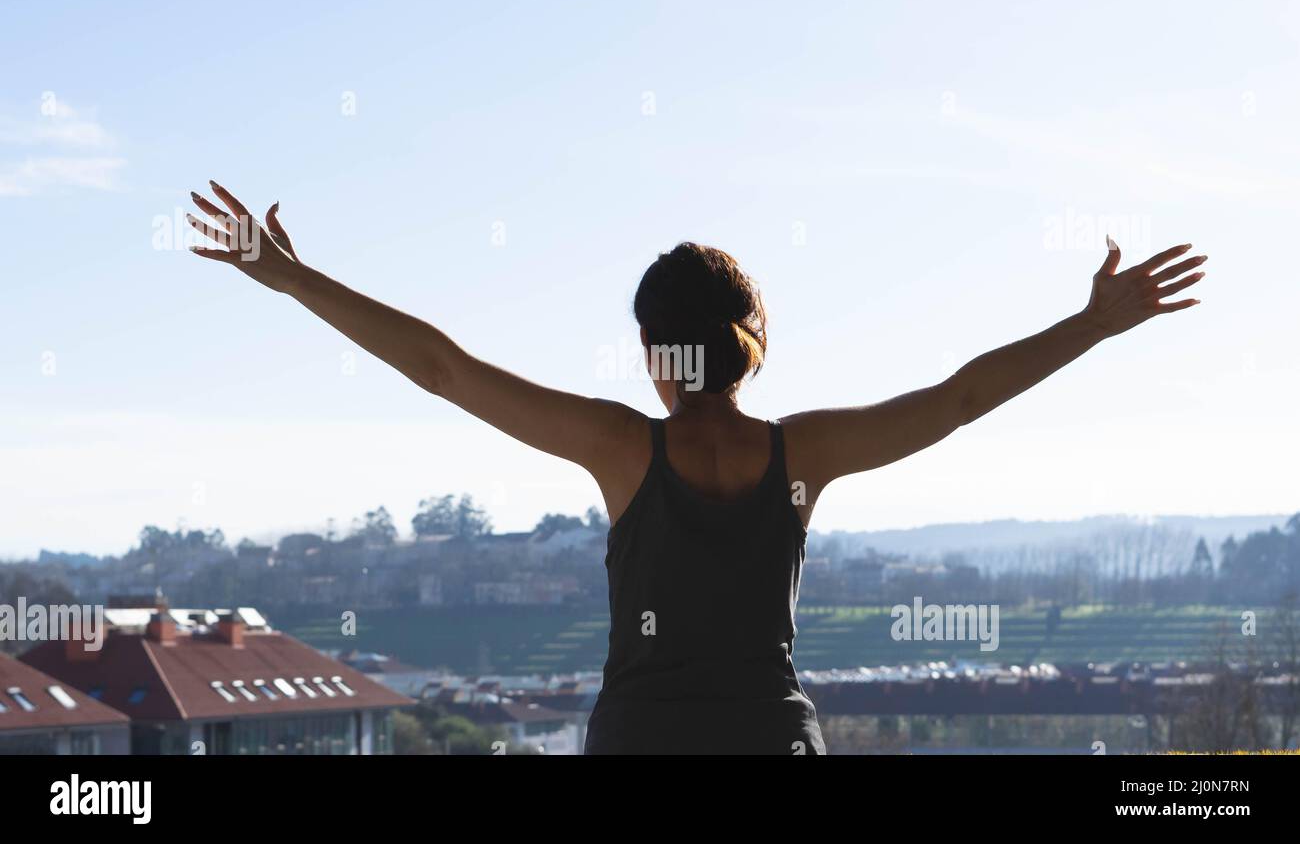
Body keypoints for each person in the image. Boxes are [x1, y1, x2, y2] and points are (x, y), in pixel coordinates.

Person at [187, 181, 1206, 754]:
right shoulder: (800, 453)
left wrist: (290, 279)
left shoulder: (621, 448)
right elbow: (957, 399)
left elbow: (442, 368)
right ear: (748, 338)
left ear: (649, 346)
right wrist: (1090, 326)